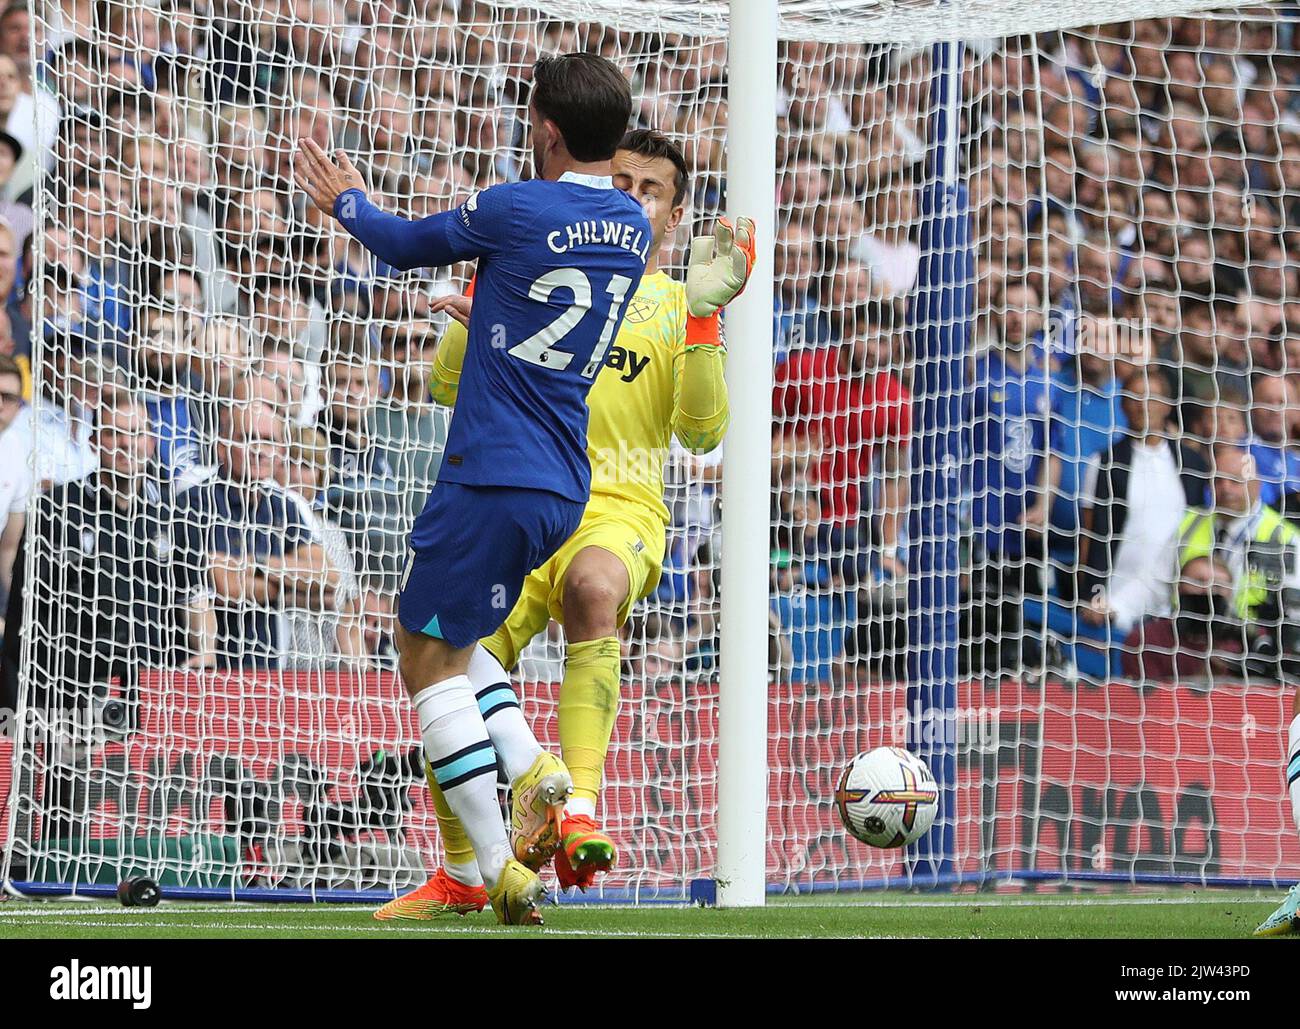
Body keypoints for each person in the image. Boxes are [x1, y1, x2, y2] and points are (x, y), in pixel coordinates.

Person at [294, 52, 654, 924]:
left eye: (532, 117)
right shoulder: (636, 228)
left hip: (493, 468)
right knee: (466, 652)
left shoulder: (514, 203)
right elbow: (550, 308)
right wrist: (490, 311)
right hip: (564, 481)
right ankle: (518, 805)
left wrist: (346, 200)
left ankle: (510, 832)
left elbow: (403, 244)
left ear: (548, 130)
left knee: (422, 655)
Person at [374, 130, 752, 920]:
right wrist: (477, 315)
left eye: (650, 189)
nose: (631, 196)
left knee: (591, 584)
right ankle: (463, 872)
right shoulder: (536, 266)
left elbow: (704, 431)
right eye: (620, 179)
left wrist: (705, 322)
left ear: (674, 220)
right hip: (527, 504)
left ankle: (576, 806)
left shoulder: (676, 302)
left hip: (615, 506)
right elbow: (447, 383)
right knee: (448, 660)